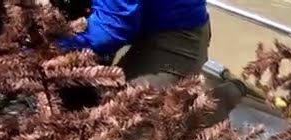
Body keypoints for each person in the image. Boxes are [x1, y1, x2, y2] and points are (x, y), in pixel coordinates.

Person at [57, 0, 212, 87]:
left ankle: (225, 97)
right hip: (136, 18)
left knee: (124, 126)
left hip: (176, 32)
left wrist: (47, 46)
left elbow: (111, 28)